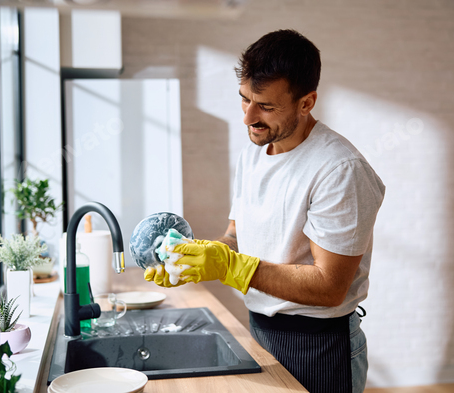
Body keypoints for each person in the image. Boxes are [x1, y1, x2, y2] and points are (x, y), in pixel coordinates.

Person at [144, 29, 385, 393]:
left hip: (320, 346)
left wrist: (230, 267)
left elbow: (329, 287)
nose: (248, 118)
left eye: (266, 107)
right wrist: (194, 258)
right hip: (260, 329)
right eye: (244, 100)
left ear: (307, 102)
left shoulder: (339, 169)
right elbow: (236, 236)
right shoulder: (254, 153)